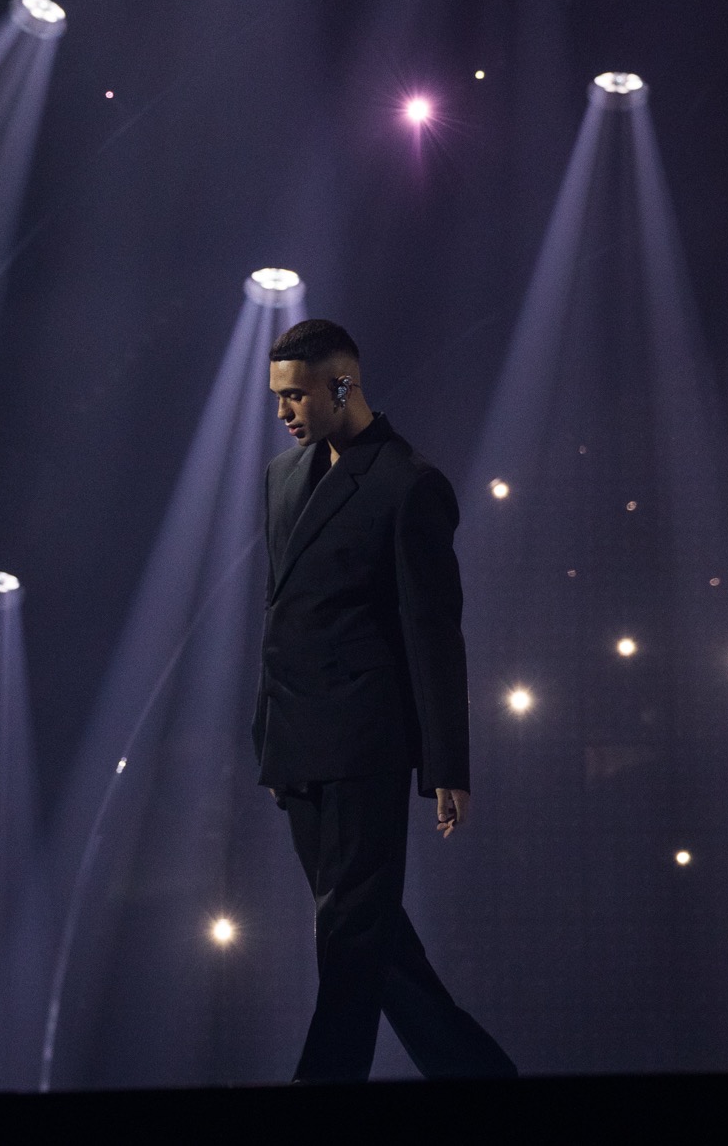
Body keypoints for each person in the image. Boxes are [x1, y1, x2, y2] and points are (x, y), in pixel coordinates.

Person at [256, 318, 514, 1081]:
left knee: (347, 933)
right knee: (373, 938)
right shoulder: (282, 477)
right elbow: (283, 613)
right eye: (278, 397)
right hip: (295, 739)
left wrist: (447, 764)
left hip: (364, 741)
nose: (285, 411)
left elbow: (432, 631)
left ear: (343, 384)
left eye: (297, 395)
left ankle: (323, 1086)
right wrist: (268, 733)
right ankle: (482, 1079)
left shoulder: (408, 483)